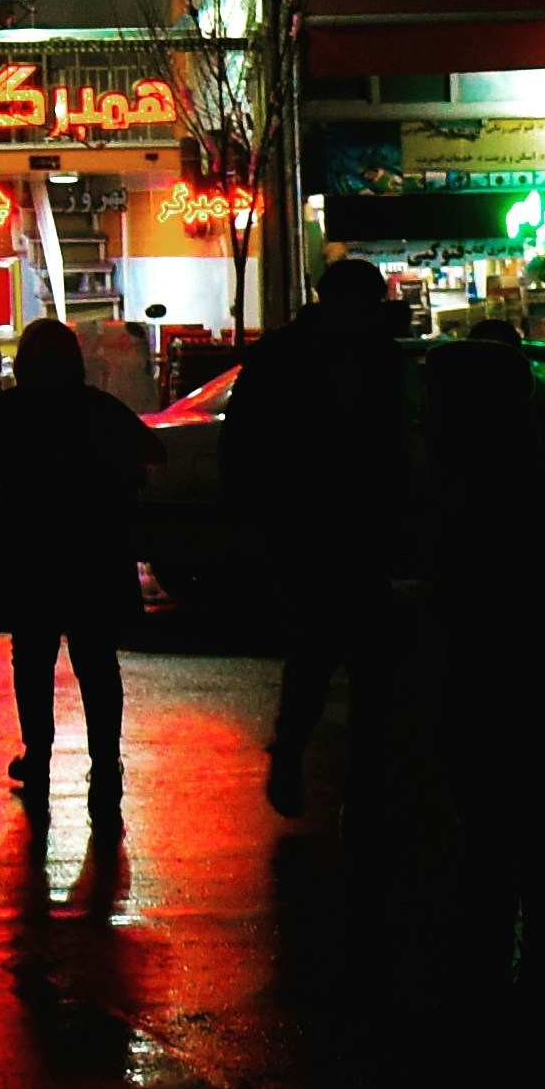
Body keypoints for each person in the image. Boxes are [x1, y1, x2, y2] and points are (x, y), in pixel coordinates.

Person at [225, 254, 415, 816]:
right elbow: (247, 446)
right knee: (329, 653)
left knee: (347, 657)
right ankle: (320, 765)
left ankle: (344, 773)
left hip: (343, 526)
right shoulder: (297, 357)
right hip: (311, 526)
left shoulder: (340, 355)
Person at [417, 323, 545, 856]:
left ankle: (494, 802)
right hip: (522, 584)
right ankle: (534, 799)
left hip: (480, 586)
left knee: (484, 691)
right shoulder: (516, 428)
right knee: (531, 690)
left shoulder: (448, 430)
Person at [0, 315, 149, 820]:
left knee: (31, 663)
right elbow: (146, 454)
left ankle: (39, 760)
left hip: (30, 553)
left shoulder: (10, 413)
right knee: (97, 664)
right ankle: (106, 767)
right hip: (93, 555)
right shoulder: (99, 410)